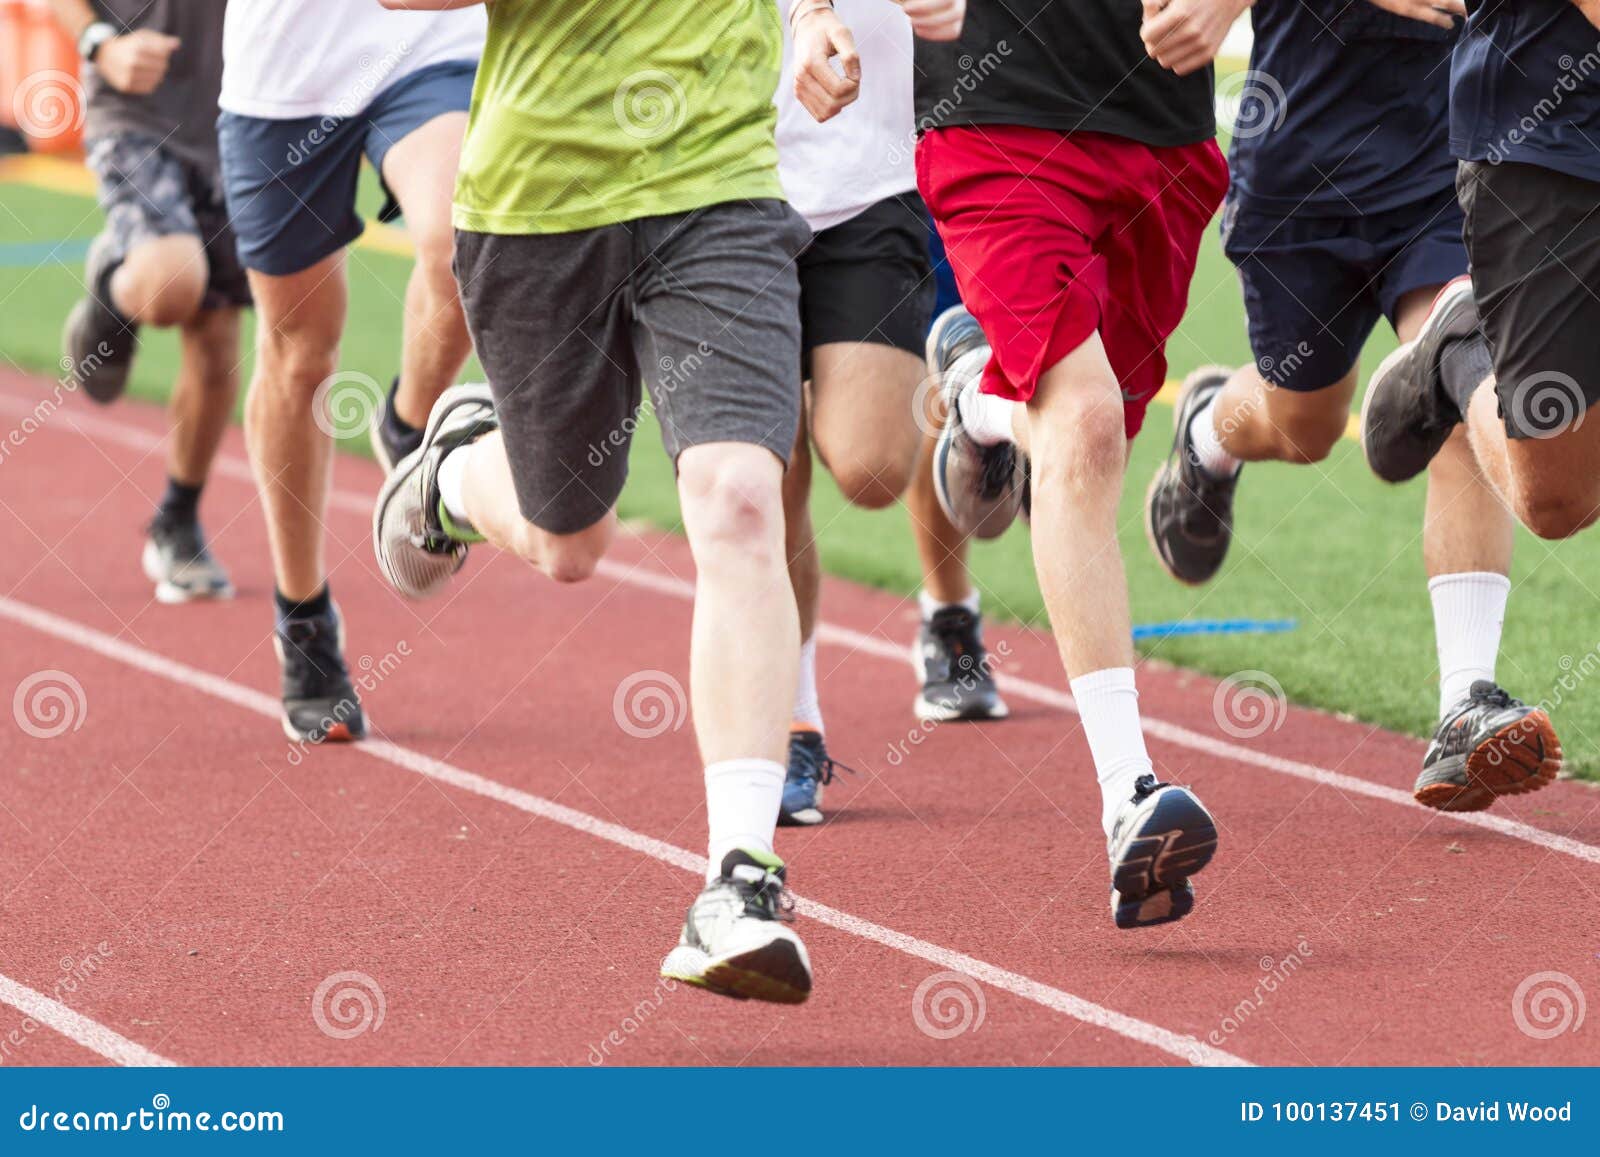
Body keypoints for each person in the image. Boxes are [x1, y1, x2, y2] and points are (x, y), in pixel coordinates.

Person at [371, 0, 965, 1001]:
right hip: (541, 200)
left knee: (739, 496)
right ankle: (457, 470)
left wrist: (815, 16)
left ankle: (739, 879)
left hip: (717, 191)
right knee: (567, 539)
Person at [1141, 0, 1561, 813]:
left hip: (1445, 153)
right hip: (1301, 167)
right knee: (1303, 426)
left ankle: (1465, 702)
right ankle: (1205, 429)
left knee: (1458, 366)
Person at [921, 0, 1227, 928]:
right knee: (1087, 424)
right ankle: (1127, 793)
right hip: (998, 108)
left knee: (1098, 433)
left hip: (1161, 127)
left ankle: (980, 403)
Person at [215, 0, 482, 743]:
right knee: (301, 352)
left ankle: (407, 427)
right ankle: (303, 618)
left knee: (464, 241)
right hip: (288, 70)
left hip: (432, 37)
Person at [775, 0, 1004, 828]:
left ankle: (952, 596)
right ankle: (791, 715)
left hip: (871, 176)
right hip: (720, 184)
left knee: (873, 464)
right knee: (761, 464)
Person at [51, 0, 248, 603]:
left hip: (242, 121)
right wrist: (99, 44)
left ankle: (178, 519)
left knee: (217, 344)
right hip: (133, 115)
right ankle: (116, 283)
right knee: (170, 285)